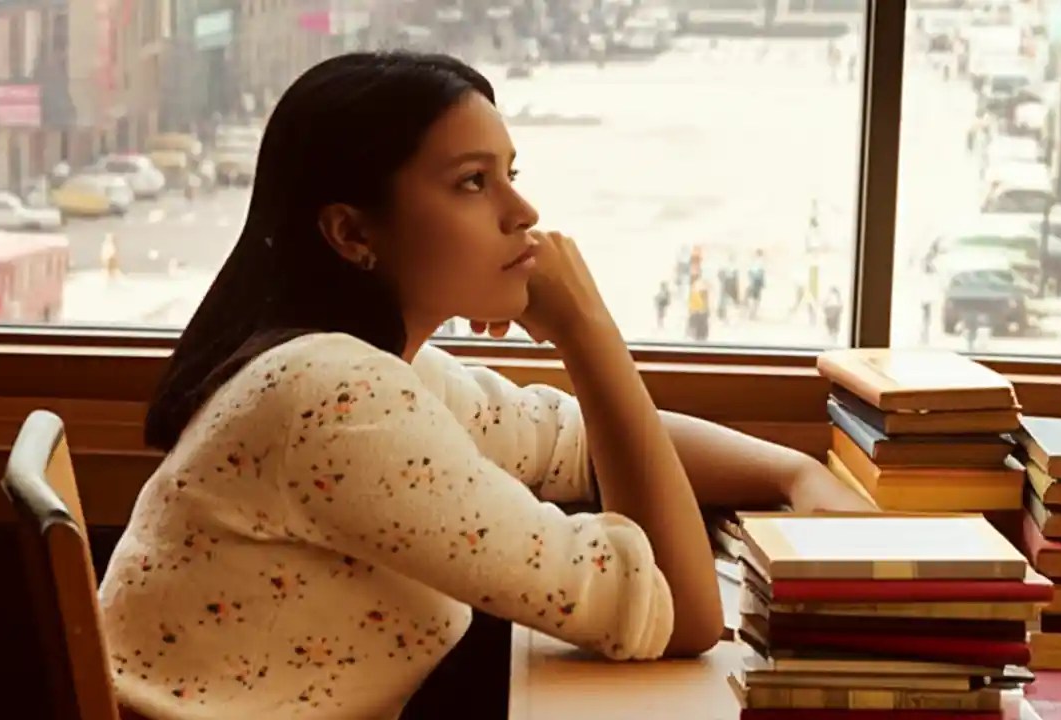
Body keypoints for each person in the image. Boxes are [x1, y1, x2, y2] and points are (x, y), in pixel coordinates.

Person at [101, 51, 875, 720]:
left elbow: (573, 444)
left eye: (510, 174)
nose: (523, 211)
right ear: (352, 234)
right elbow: (679, 614)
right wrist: (588, 332)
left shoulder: (372, 371)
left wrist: (793, 472)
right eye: (473, 183)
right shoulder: (336, 401)